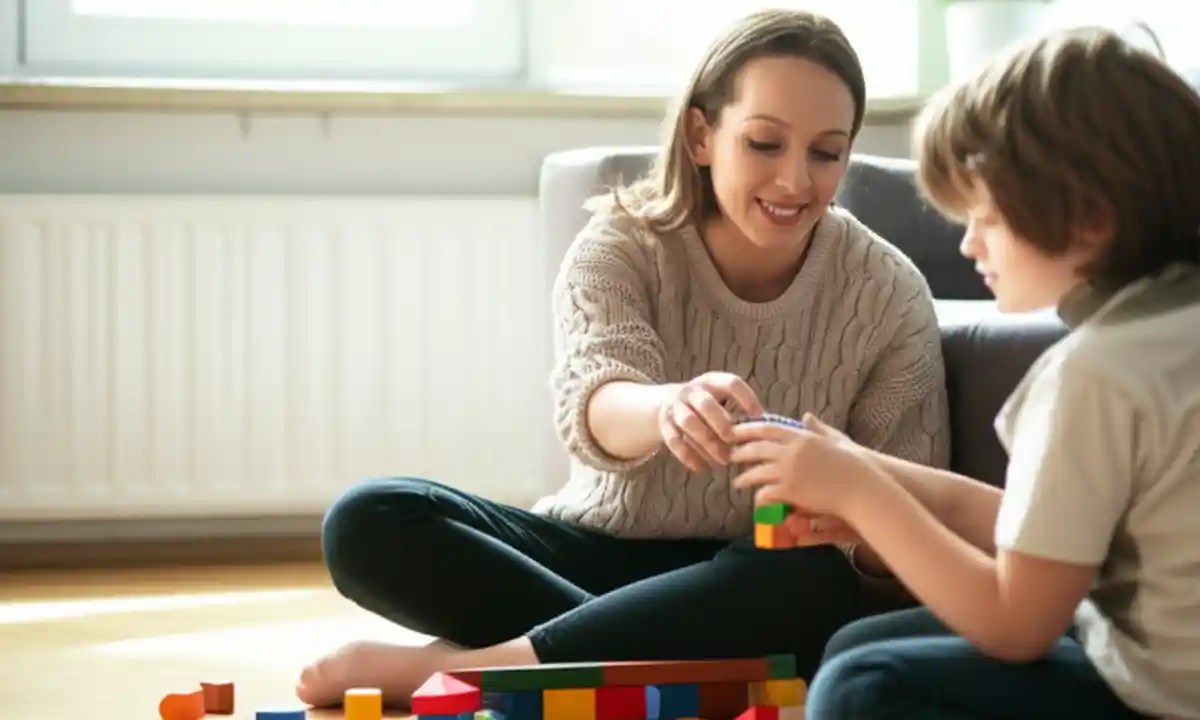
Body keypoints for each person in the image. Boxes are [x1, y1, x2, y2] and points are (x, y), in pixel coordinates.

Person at [295, 8, 950, 709]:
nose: (794, 181)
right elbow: (595, 402)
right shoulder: (621, 247)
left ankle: (488, 667)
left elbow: (902, 536)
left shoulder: (887, 292)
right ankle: (637, 661)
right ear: (702, 135)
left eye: (825, 152)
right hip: (602, 551)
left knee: (812, 583)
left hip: (752, 579)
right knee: (368, 521)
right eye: (764, 143)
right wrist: (666, 406)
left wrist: (854, 504)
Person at [731, 25, 1200, 719]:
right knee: (859, 644)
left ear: (1087, 221)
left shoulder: (1095, 375)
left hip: (1167, 700)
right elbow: (1048, 539)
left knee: (860, 685)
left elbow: (1017, 624)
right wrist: (863, 470)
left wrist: (862, 493)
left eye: (987, 218)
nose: (968, 244)